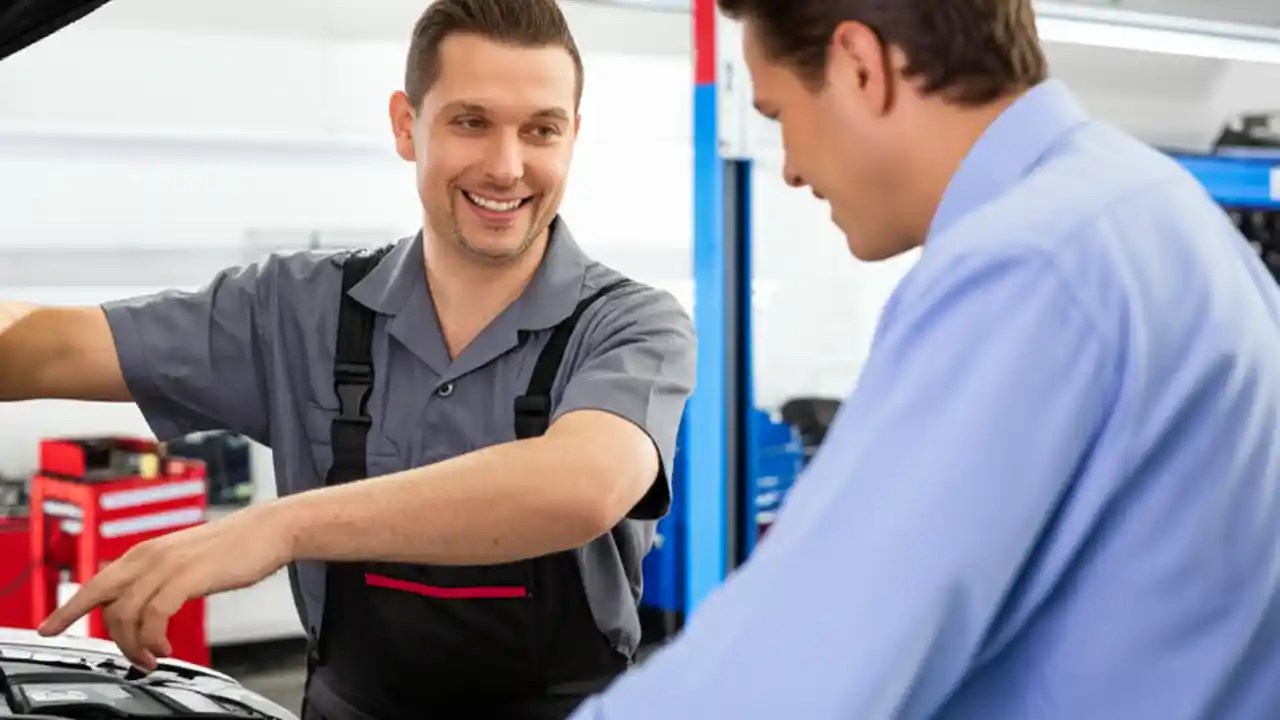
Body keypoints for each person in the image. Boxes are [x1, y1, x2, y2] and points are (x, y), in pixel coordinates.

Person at [570, 1, 1280, 718]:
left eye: (779, 114)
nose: (788, 168)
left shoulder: (1027, 265)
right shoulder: (1148, 206)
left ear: (858, 66)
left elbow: (790, 672)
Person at [0, 1, 697, 718]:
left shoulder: (630, 323)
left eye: (540, 130)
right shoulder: (297, 310)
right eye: (471, 122)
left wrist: (274, 528)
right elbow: (44, 346)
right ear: (406, 124)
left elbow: (579, 487)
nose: (507, 166)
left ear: (573, 136)